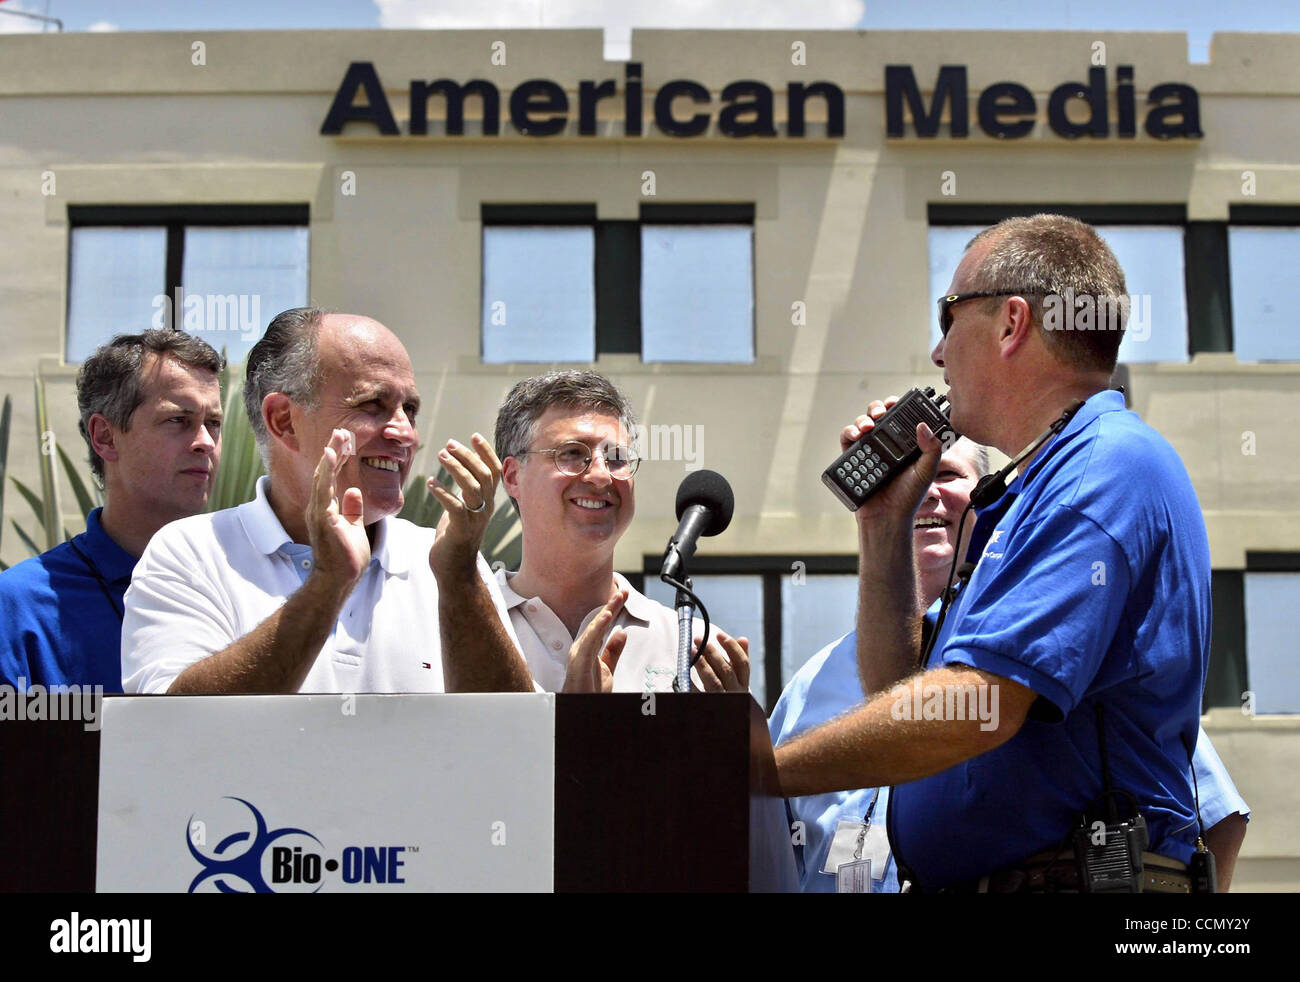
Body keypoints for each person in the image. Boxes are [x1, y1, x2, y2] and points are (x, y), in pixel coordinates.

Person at [774, 214, 1214, 892]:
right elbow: (900, 699)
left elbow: (979, 705)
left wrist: (762, 771)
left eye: (947, 316)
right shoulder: (1034, 490)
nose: (938, 353)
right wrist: (883, 525)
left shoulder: (1102, 467)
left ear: (1011, 324)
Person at [771, 439, 1250, 892]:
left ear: (983, 502)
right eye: (904, 478)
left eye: (945, 474)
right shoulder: (812, 682)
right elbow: (769, 846)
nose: (923, 494)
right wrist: (733, 725)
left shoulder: (1050, 641)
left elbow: (1217, 815)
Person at [120, 307, 532, 695]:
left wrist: (460, 581)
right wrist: (328, 582)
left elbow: (512, 734)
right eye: (373, 405)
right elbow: (173, 728)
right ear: (284, 420)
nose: (406, 434)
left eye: (410, 409)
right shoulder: (190, 553)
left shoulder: (445, 560)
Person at [494, 370, 749, 693]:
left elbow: (747, 745)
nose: (601, 476)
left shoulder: (695, 653)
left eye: (617, 458)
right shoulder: (461, 630)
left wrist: (736, 737)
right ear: (513, 477)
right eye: (572, 453)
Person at [0, 330, 223, 692]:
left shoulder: (253, 584)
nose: (205, 443)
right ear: (105, 436)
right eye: (178, 420)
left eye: (213, 423)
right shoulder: (19, 610)